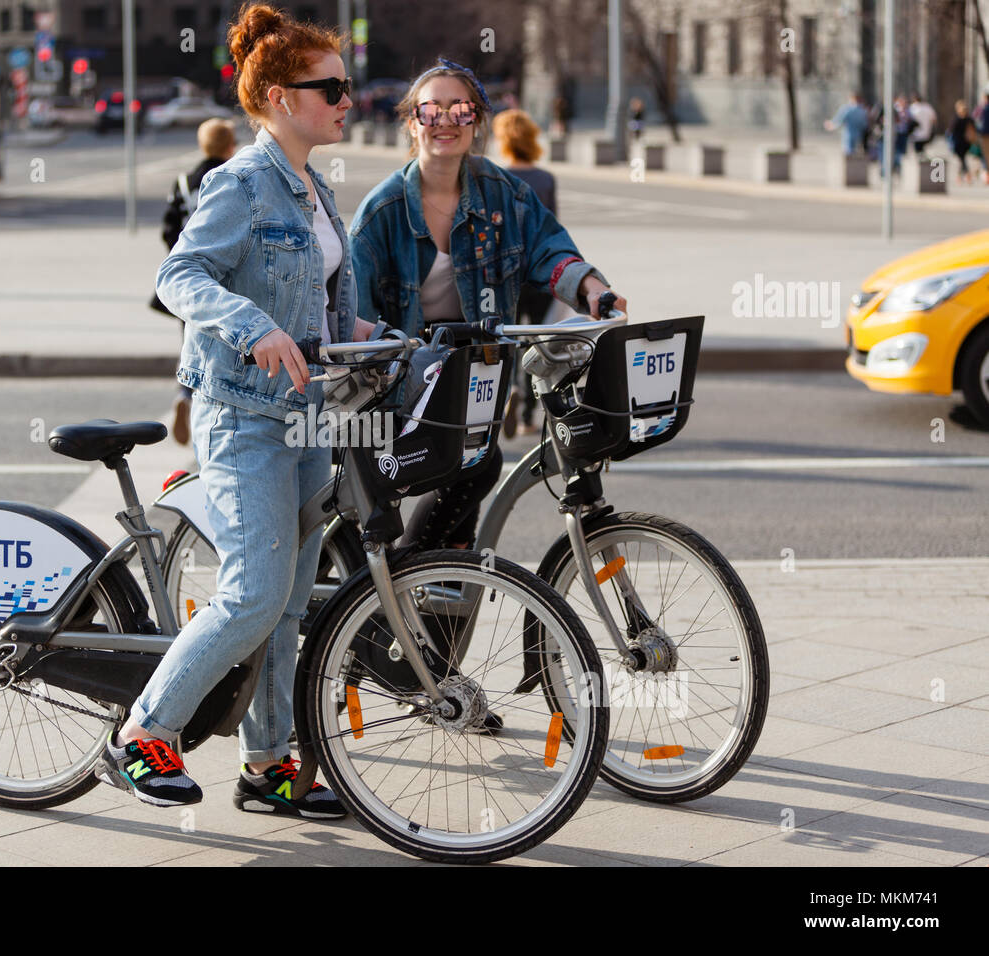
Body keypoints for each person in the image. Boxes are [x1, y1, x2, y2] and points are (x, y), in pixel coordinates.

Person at [100, 2, 375, 815]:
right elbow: (178, 277)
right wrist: (250, 328)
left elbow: (316, 304)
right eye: (331, 87)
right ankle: (142, 735)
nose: (346, 100)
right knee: (254, 592)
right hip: (244, 416)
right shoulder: (240, 183)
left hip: (307, 416)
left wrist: (369, 334)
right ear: (283, 99)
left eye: (347, 85)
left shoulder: (316, 191)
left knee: (287, 606)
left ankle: (267, 766)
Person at [349, 57, 624, 552]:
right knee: (477, 464)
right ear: (412, 121)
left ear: (477, 120)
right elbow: (351, 311)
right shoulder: (383, 212)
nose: (447, 122)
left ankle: (440, 604)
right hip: (398, 376)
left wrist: (590, 289)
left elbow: (549, 247)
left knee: (463, 519)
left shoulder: (501, 192)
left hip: (476, 372)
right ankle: (400, 584)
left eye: (461, 109)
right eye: (432, 110)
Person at [153, 118, 239, 445]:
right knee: (224, 345)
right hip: (226, 280)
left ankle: (185, 393)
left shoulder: (182, 182)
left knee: (191, 338)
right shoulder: (233, 178)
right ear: (230, 146)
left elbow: (167, 229)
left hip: (189, 280)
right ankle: (215, 408)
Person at [492, 107, 557, 437]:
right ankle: (532, 413)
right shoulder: (546, 180)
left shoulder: (499, 179)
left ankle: (509, 393)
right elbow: (552, 231)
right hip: (540, 274)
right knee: (539, 341)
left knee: (512, 340)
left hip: (510, 277)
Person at [946, 100, 981, 185]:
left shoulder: (956, 119)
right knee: (962, 159)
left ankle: (966, 176)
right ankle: (961, 176)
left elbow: (950, 131)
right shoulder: (969, 119)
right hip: (966, 142)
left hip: (958, 142)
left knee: (962, 159)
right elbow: (975, 129)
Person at [824, 92, 869, 156]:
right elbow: (865, 124)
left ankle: (851, 165)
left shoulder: (847, 109)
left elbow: (839, 119)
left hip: (849, 133)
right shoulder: (862, 110)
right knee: (857, 152)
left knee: (848, 152)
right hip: (858, 134)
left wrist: (831, 124)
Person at [908, 92, 937, 157]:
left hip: (916, 133)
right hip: (926, 132)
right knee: (922, 150)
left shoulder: (913, 108)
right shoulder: (928, 107)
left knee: (918, 151)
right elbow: (934, 120)